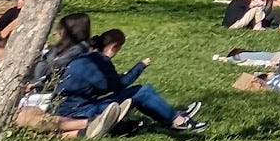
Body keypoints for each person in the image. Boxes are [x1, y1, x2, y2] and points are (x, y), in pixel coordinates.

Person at [60, 29, 202, 134]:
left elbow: (103, 85)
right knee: (142, 92)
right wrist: (139, 66)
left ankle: (169, 115)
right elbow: (118, 86)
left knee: (139, 94)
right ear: (113, 46)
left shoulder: (85, 58)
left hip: (65, 108)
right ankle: (178, 120)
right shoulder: (100, 62)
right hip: (79, 112)